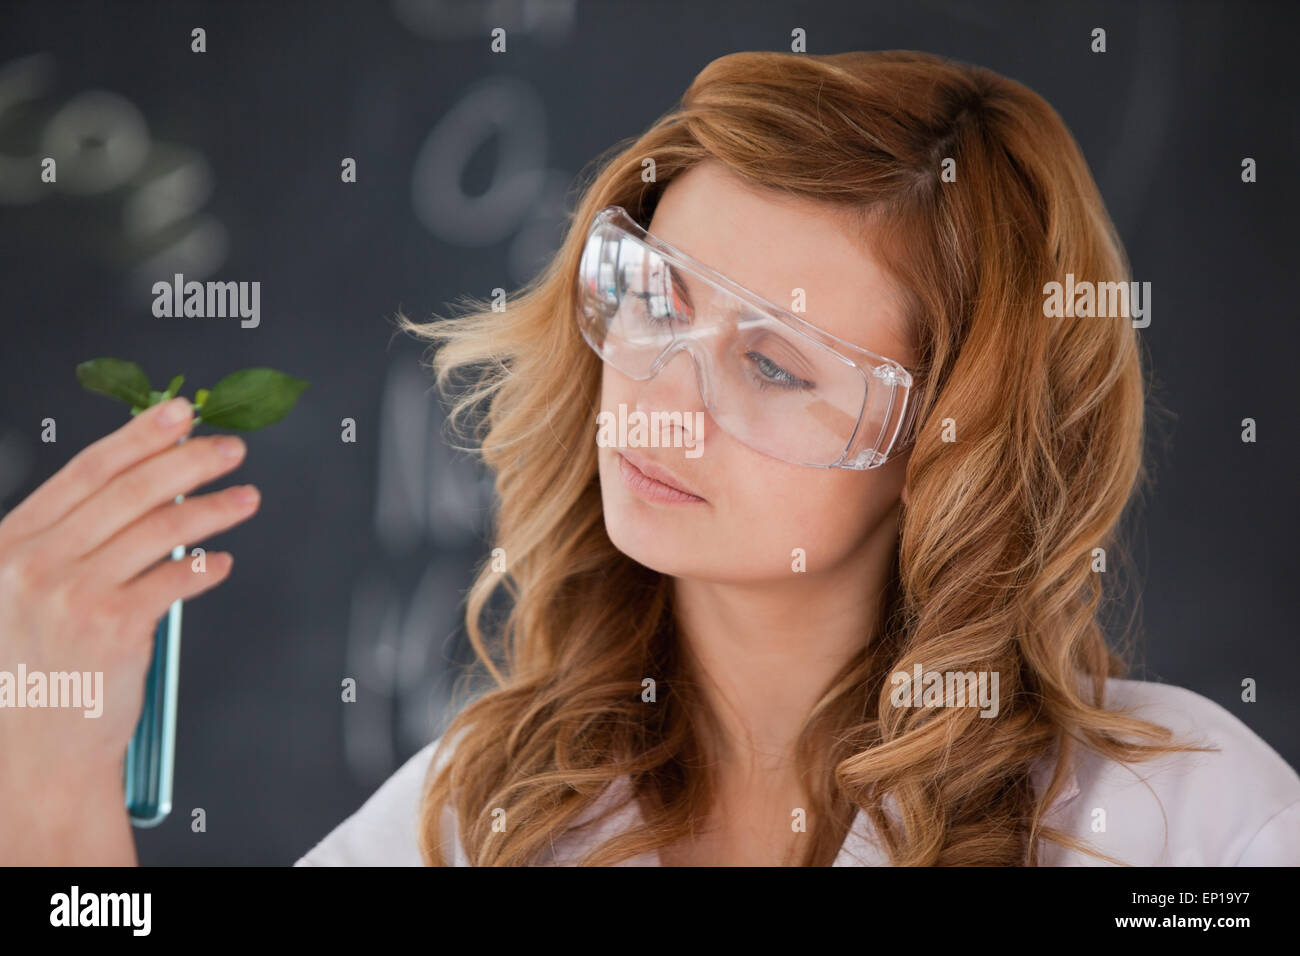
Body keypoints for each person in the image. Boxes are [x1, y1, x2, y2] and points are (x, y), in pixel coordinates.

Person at [4, 49, 1298, 867]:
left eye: (778, 365)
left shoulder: (1182, 826)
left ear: (952, 447)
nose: (661, 399)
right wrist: (53, 792)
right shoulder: (480, 816)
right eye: (656, 298)